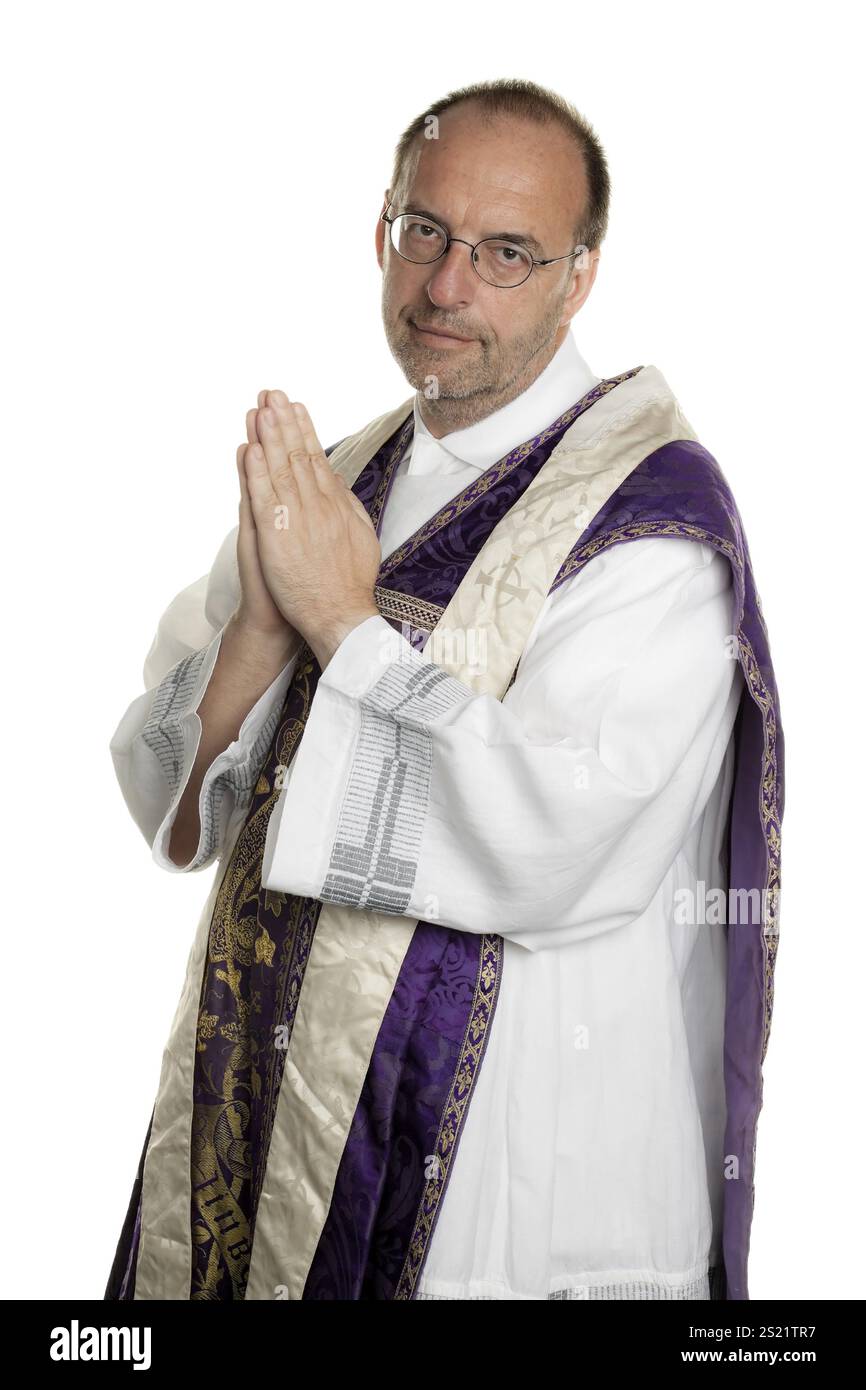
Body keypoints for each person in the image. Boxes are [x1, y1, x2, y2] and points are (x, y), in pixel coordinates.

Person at [104, 77, 784, 1303]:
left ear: (579, 274)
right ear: (382, 229)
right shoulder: (341, 475)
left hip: (499, 1184)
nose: (444, 286)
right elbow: (174, 808)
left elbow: (553, 844)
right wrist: (263, 624)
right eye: (423, 230)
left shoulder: (651, 529)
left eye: (505, 252)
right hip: (256, 1119)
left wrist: (342, 625)